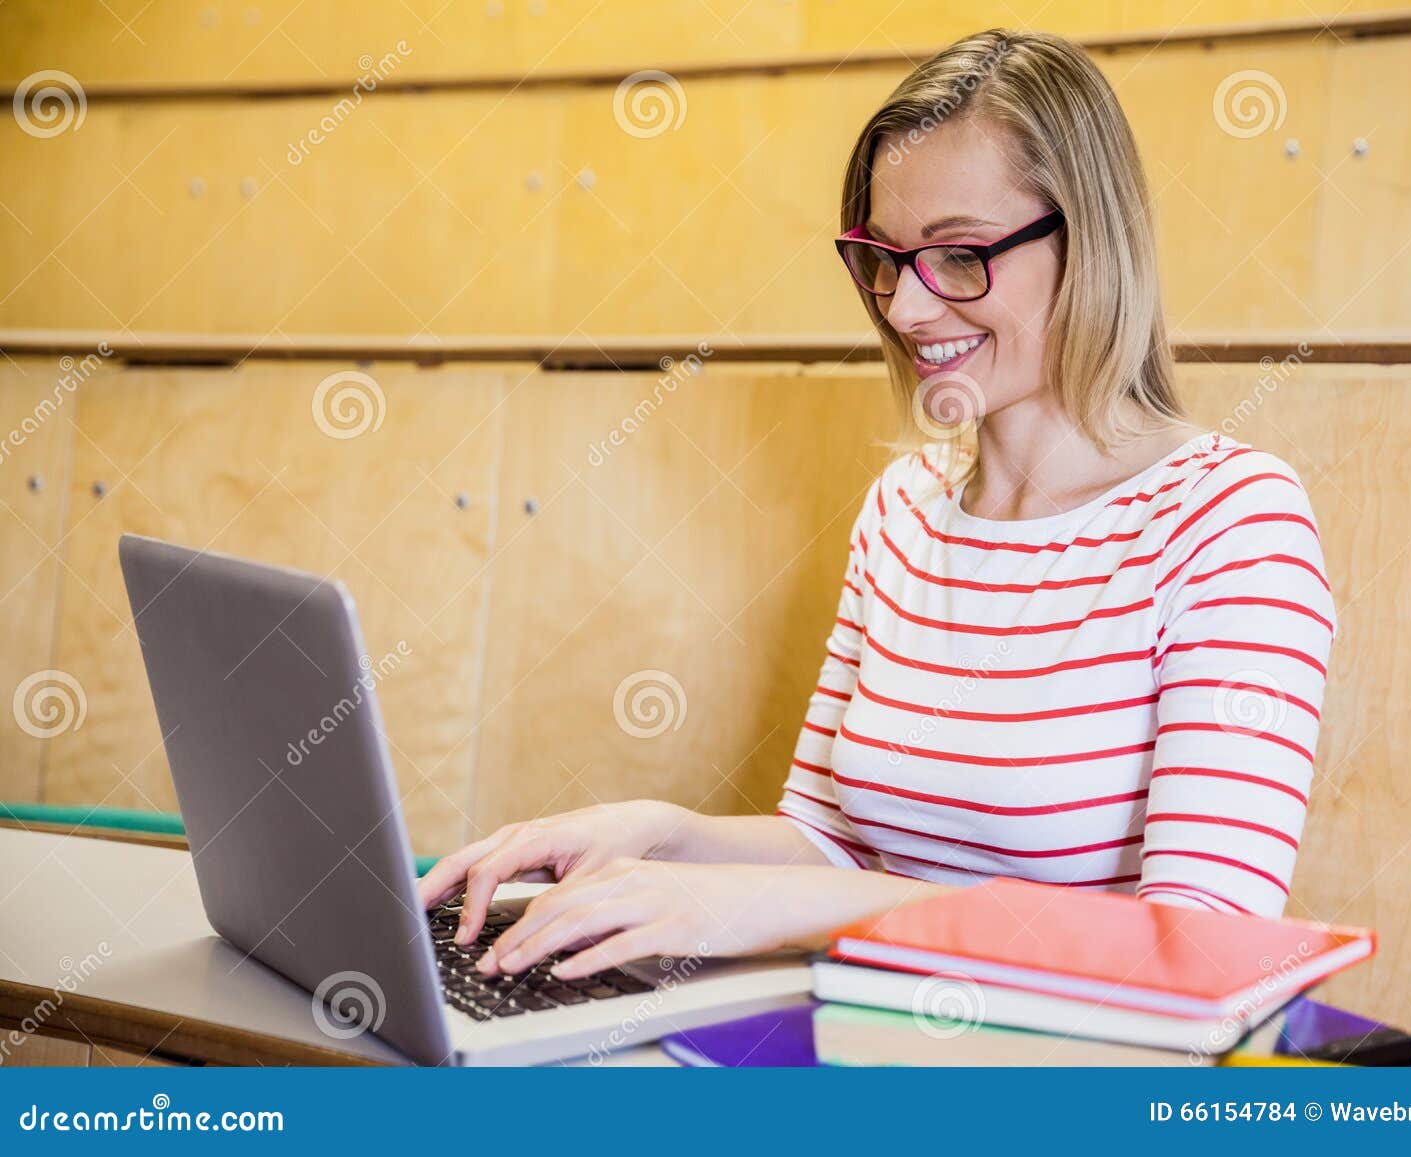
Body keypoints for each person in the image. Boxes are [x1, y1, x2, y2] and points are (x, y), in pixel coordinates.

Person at [417, 28, 1337, 984]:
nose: (904, 309)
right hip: (872, 1025)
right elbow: (831, 843)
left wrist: (778, 907)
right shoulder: (905, 508)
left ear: (1091, 242)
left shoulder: (1231, 520)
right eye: (885, 259)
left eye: (959, 254)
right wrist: (662, 834)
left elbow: (1200, 948)